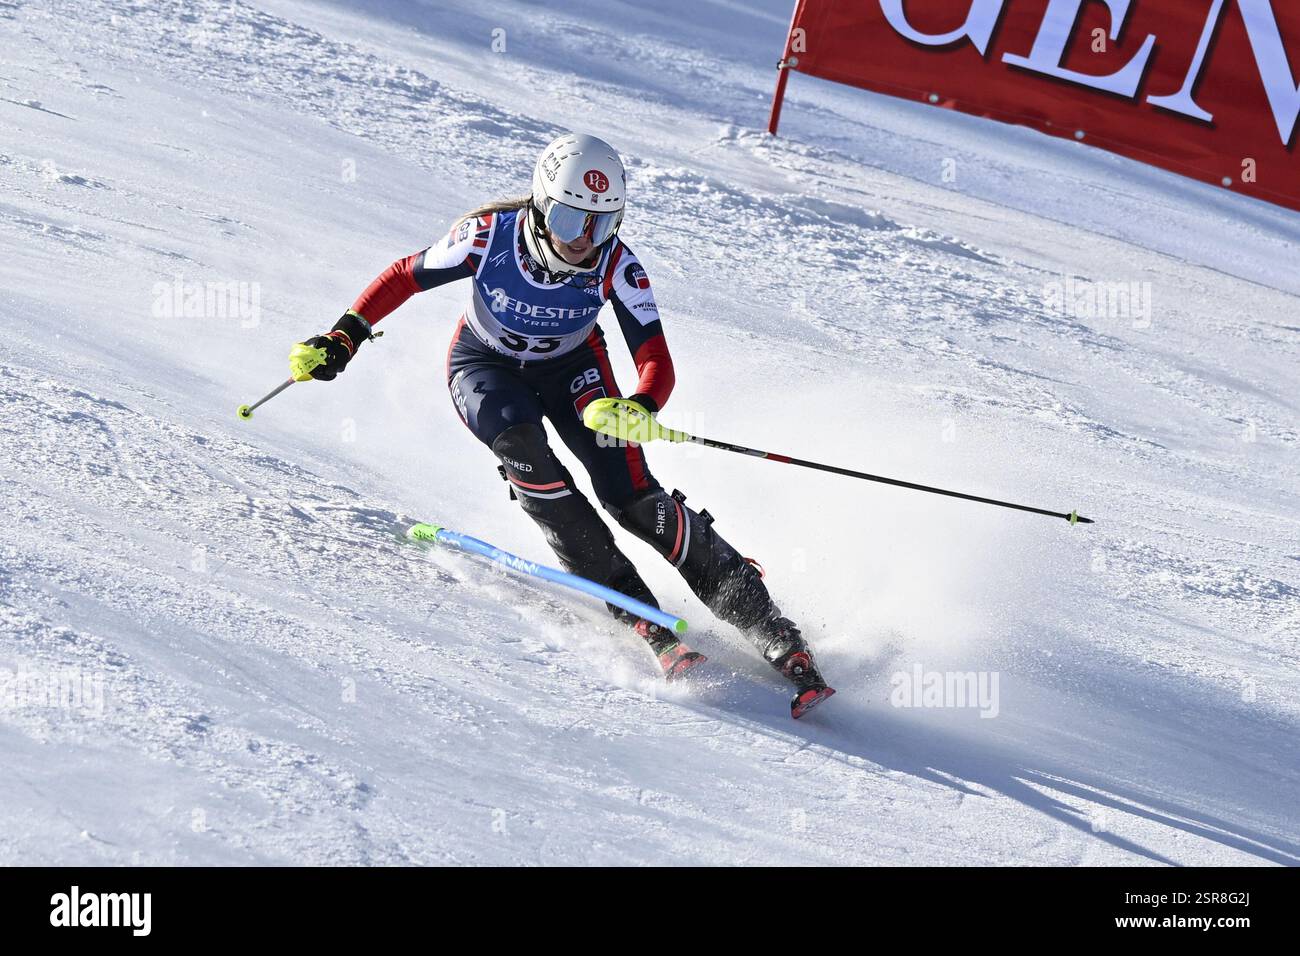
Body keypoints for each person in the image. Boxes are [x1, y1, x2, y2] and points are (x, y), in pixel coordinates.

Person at [289, 132, 833, 716]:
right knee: (532, 460)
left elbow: (656, 359)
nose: (583, 240)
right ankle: (642, 621)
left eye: (601, 224)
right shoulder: (487, 237)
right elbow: (405, 274)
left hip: (574, 366)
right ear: (543, 206)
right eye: (572, 219)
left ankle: (767, 624)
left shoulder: (619, 266)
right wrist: (343, 336)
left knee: (631, 497)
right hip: (486, 365)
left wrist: (642, 407)